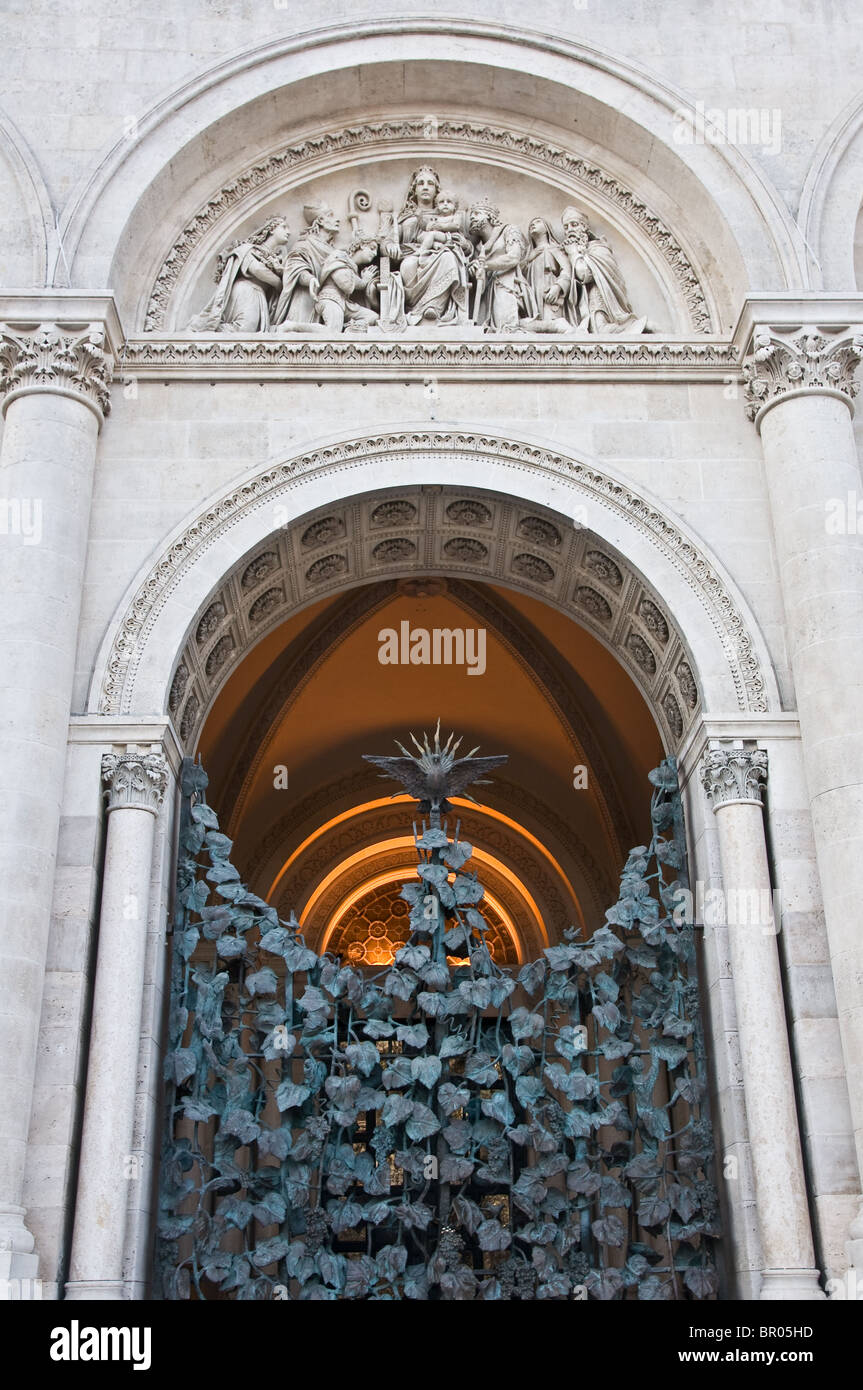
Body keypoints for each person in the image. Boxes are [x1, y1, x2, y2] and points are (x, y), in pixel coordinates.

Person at [391, 167, 469, 324]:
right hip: (412, 255)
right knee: (408, 265)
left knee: (448, 258)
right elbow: (387, 240)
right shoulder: (405, 216)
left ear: (436, 191)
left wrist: (465, 245)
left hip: (441, 252)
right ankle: (415, 308)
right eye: (421, 183)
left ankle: (434, 307)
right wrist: (389, 246)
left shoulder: (445, 216)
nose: (425, 187)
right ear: (415, 190)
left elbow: (465, 243)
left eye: (430, 184)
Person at [187, 217, 289, 332]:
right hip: (246, 290)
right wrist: (278, 282)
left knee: (249, 332)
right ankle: (204, 327)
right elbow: (257, 269)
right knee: (244, 328)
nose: (288, 232)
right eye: (284, 227)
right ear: (271, 229)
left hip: (258, 295)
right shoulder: (248, 249)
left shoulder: (276, 259)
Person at [560, 206, 644, 334]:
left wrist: (573, 253)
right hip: (578, 306)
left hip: (600, 297)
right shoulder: (566, 251)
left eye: (574, 225)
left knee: (600, 330)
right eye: (566, 227)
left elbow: (583, 273)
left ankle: (639, 326)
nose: (570, 230)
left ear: (584, 228)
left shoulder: (598, 248)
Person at [272, 202, 341, 326]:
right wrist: (309, 279)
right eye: (330, 215)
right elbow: (295, 265)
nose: (337, 220)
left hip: (331, 299)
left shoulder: (333, 250)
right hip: (306, 298)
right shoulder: (304, 244)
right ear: (320, 220)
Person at [467, 199, 528, 332]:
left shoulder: (509, 230)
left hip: (506, 284)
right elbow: (479, 284)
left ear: (490, 216)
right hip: (486, 295)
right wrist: (474, 272)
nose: (472, 217)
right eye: (471, 214)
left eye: (477, 213)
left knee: (507, 329)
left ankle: (555, 326)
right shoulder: (477, 248)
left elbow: (514, 257)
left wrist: (486, 265)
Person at [314, 237, 380, 332]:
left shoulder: (352, 266)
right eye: (372, 248)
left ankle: (349, 329)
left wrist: (364, 281)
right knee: (333, 330)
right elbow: (346, 285)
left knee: (373, 317)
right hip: (331, 299)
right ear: (362, 245)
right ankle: (294, 327)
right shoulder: (339, 257)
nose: (375, 254)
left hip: (345, 303)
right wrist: (364, 280)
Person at [520, 217, 572, 332]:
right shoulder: (528, 256)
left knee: (551, 322)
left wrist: (557, 287)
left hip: (549, 290)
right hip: (531, 294)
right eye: (531, 224)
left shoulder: (554, 249)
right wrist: (527, 260)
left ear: (547, 229)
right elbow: (518, 274)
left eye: (538, 222)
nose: (533, 225)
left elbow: (567, 270)